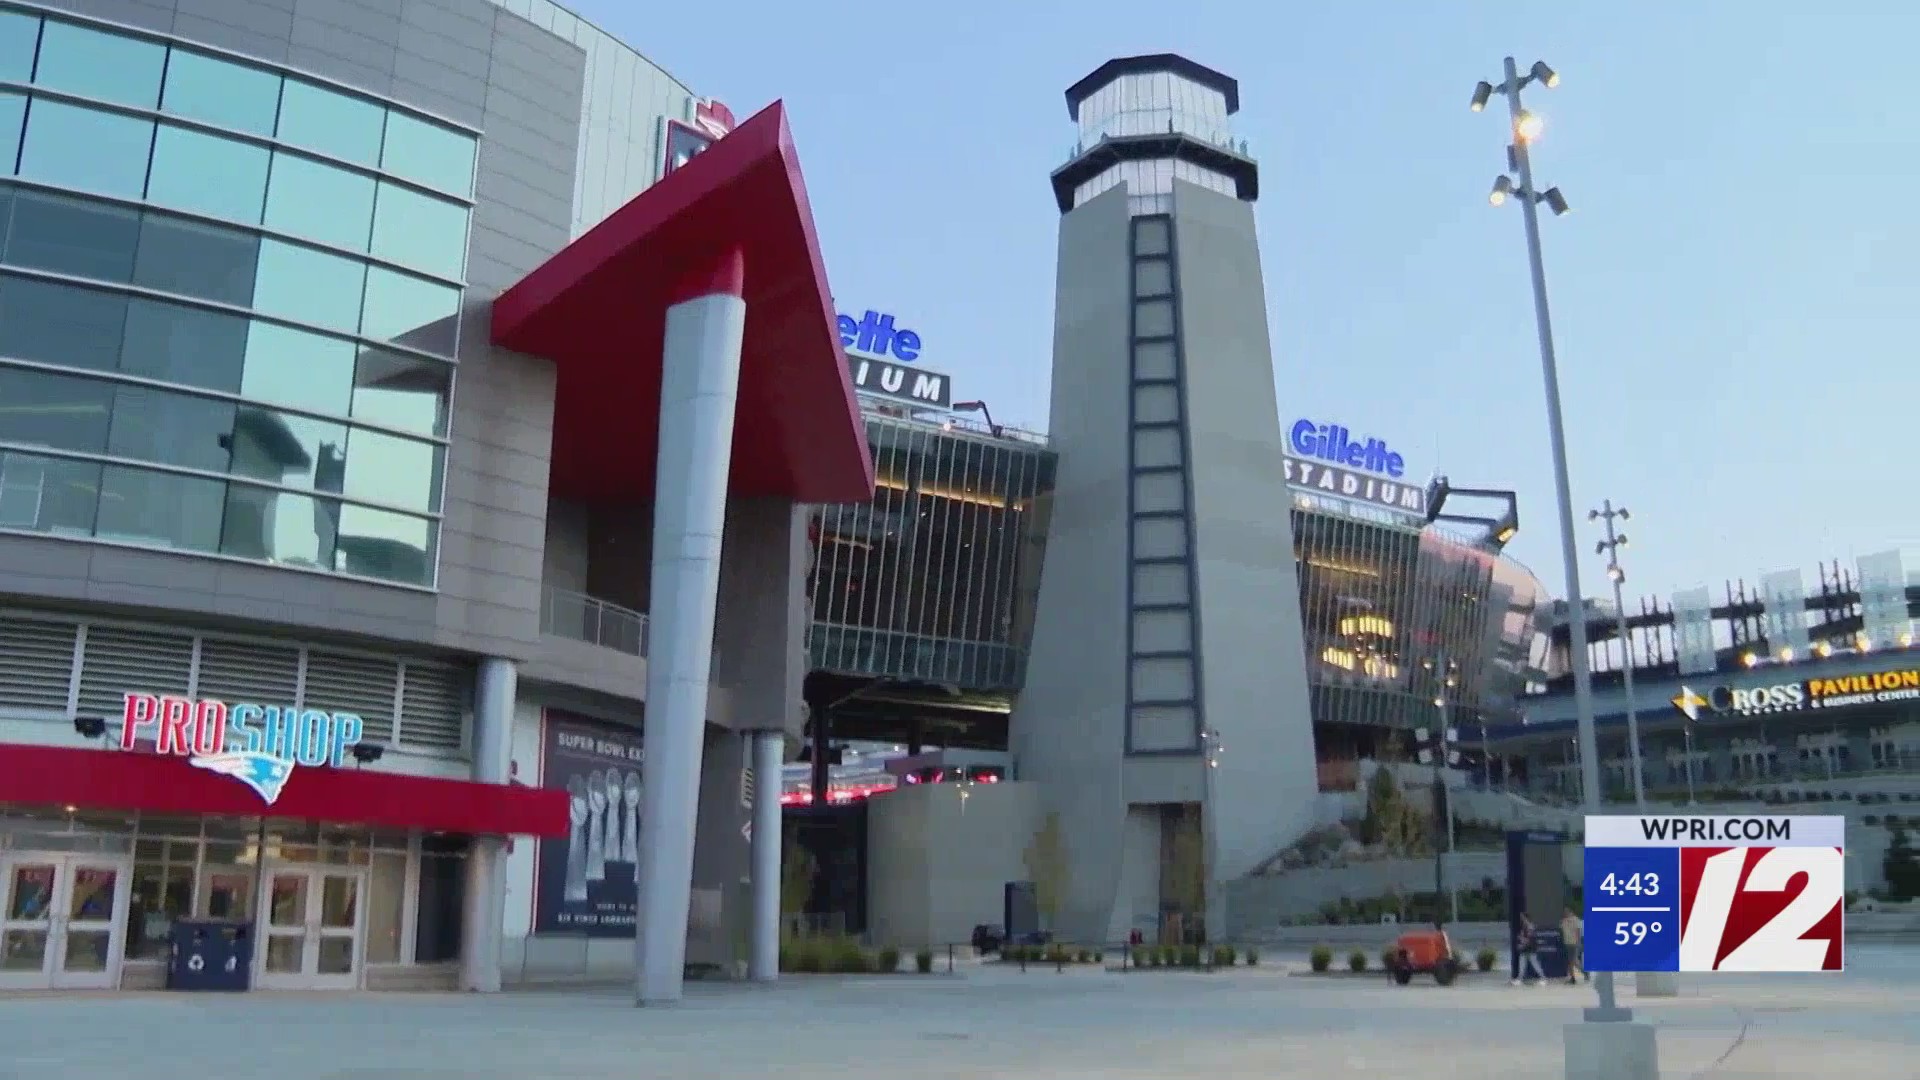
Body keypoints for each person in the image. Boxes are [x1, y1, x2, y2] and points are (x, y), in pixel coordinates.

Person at [1512, 913, 1546, 985]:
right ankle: (1520, 979)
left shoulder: (1530, 927)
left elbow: (1529, 939)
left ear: (1526, 918)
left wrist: (1522, 943)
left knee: (1534, 964)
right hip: (1526, 948)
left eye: (1522, 917)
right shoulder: (1524, 926)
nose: (1521, 919)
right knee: (1522, 964)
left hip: (1530, 948)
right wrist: (1521, 941)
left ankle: (1543, 978)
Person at [1561, 907, 1587, 984]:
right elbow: (1563, 929)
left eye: (1566, 912)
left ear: (1570, 912)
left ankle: (1573, 978)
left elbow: (1578, 930)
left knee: (1572, 961)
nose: (1565, 913)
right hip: (1567, 942)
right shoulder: (1564, 921)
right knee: (1573, 961)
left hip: (1573, 942)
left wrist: (1578, 941)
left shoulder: (1575, 920)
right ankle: (1583, 973)